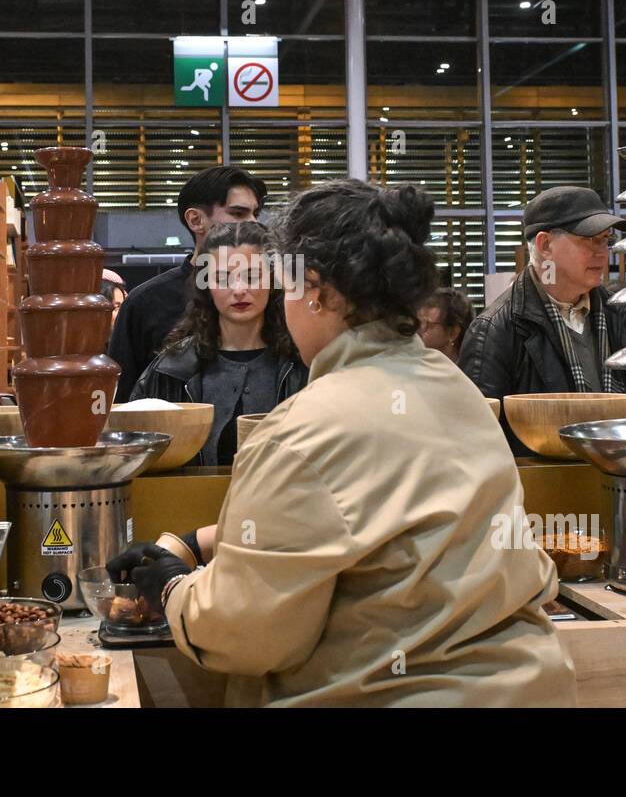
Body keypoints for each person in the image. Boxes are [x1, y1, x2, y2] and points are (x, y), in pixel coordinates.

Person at [109, 180, 575, 707]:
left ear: (315, 288)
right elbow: (386, 530)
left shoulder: (300, 430)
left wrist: (174, 589)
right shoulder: (459, 393)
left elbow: (248, 636)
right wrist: (200, 541)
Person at [458, 186, 626, 453]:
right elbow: (477, 440)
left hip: (620, 479)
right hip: (540, 487)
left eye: (605, 240)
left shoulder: (622, 313)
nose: (603, 253)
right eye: (589, 239)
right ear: (545, 245)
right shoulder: (496, 329)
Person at [130, 221, 306, 466]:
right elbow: (135, 450)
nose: (239, 289)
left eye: (252, 276)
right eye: (223, 278)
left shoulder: (303, 363)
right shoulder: (171, 368)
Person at [107, 165, 267, 400]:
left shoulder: (276, 295)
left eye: (255, 214)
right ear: (195, 219)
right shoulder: (146, 302)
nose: (252, 223)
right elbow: (122, 401)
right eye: (238, 214)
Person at [417, 286, 474, 364]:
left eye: (429, 325)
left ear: (453, 333)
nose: (420, 331)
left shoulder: (470, 371)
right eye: (420, 322)